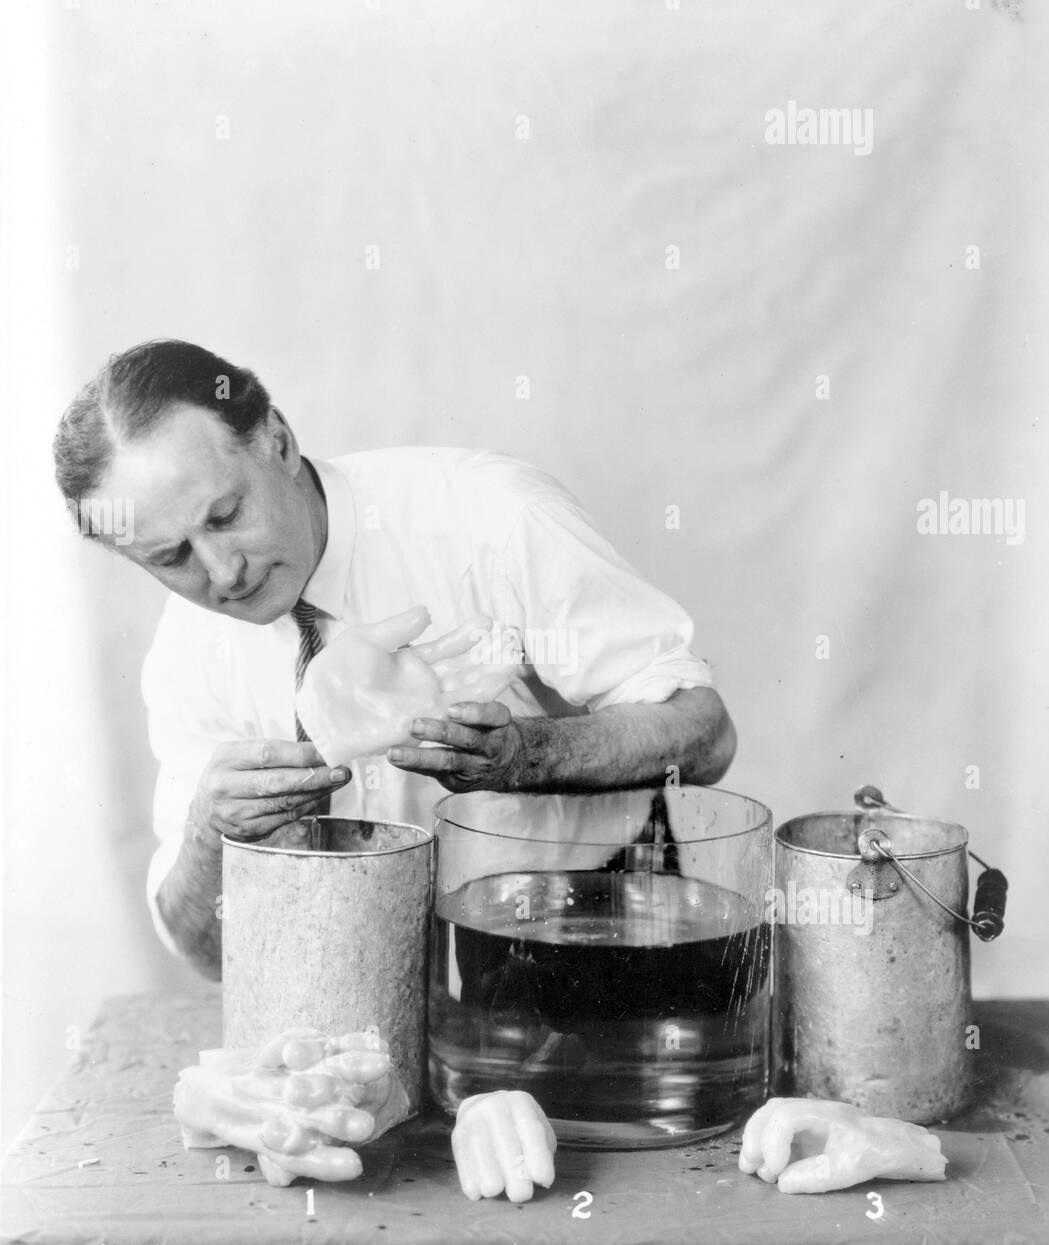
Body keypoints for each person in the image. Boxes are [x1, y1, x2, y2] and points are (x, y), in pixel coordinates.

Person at [53, 340, 736, 979]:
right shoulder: (187, 649)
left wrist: (524, 755)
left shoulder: (488, 518)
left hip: (595, 947)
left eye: (225, 515)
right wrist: (212, 830)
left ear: (278, 443)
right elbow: (209, 955)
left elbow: (705, 738)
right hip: (356, 982)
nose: (223, 574)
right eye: (171, 558)